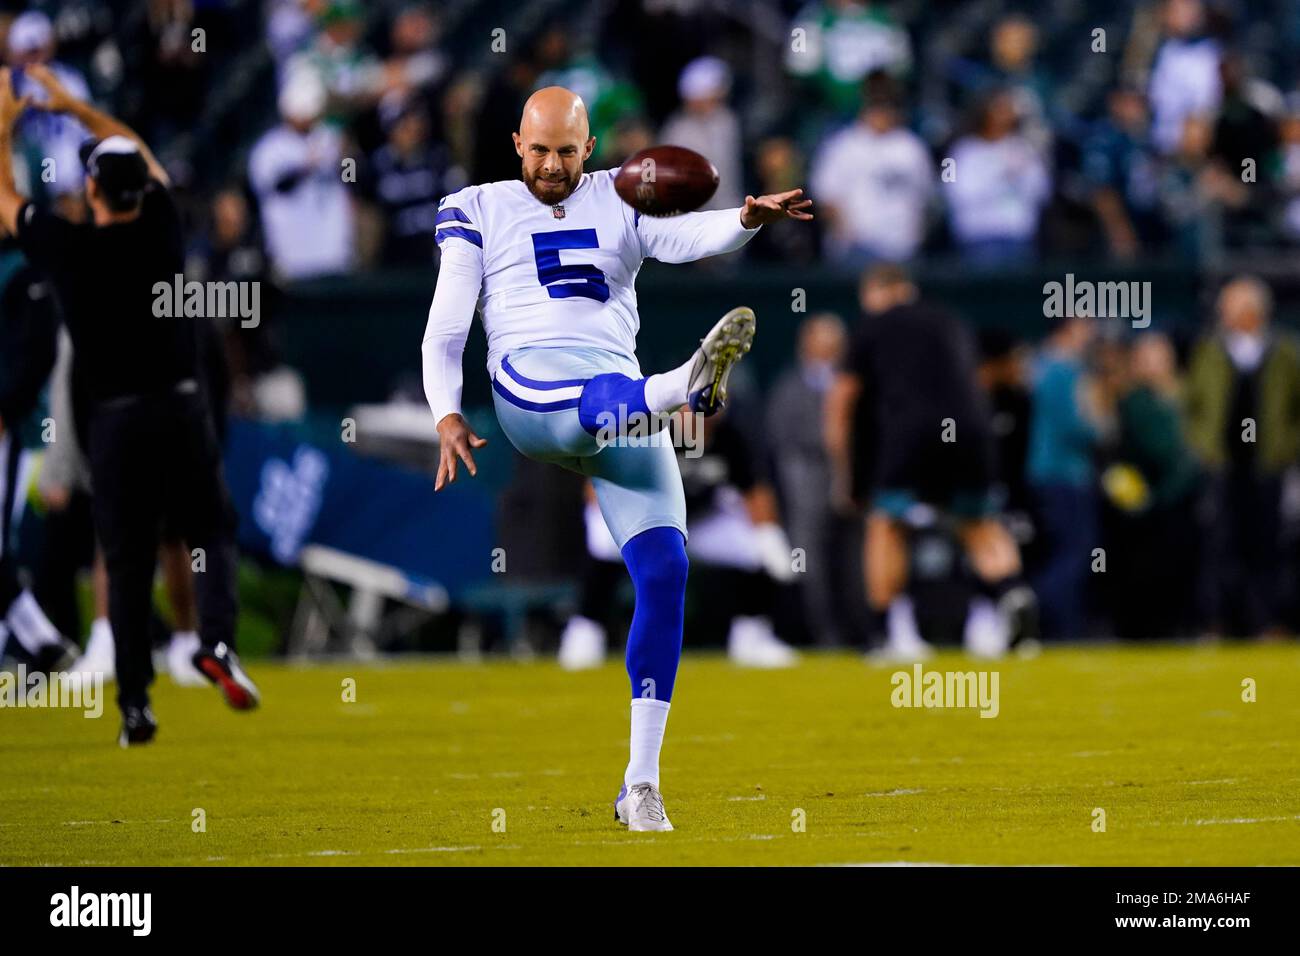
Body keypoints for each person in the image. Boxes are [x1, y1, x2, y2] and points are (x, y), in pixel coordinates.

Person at [421, 87, 811, 831]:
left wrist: (744, 219)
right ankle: (685, 384)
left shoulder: (622, 196)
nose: (552, 165)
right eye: (539, 150)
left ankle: (640, 786)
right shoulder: (477, 207)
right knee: (612, 394)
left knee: (665, 574)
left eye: (568, 151)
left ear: (589, 147)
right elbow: (445, 329)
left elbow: (686, 237)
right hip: (532, 390)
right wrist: (444, 409)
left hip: (624, 399)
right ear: (515, 144)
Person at [0, 65, 259, 746]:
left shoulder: (70, 248)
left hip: (112, 420)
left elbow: (4, 200)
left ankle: (136, 707)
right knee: (209, 531)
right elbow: (136, 148)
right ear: (143, 190)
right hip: (179, 409)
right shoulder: (164, 229)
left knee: (126, 555)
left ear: (90, 191)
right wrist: (75, 107)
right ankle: (216, 644)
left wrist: (3, 125)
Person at [824, 265, 1036, 659]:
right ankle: (1012, 593)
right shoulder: (950, 320)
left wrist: (843, 473)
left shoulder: (873, 325)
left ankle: (887, 632)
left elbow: (842, 400)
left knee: (886, 525)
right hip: (971, 432)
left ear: (877, 291)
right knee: (980, 525)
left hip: (911, 435)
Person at [1185, 276, 1300, 638]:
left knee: (1267, 545)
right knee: (1220, 545)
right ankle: (1218, 621)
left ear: (1252, 311)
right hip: (1225, 463)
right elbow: (1194, 405)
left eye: (1230, 306)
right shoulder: (1211, 350)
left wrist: (1285, 447)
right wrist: (1204, 447)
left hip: (1265, 463)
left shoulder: (1283, 352)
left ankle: (1266, 621)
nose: (1223, 312)